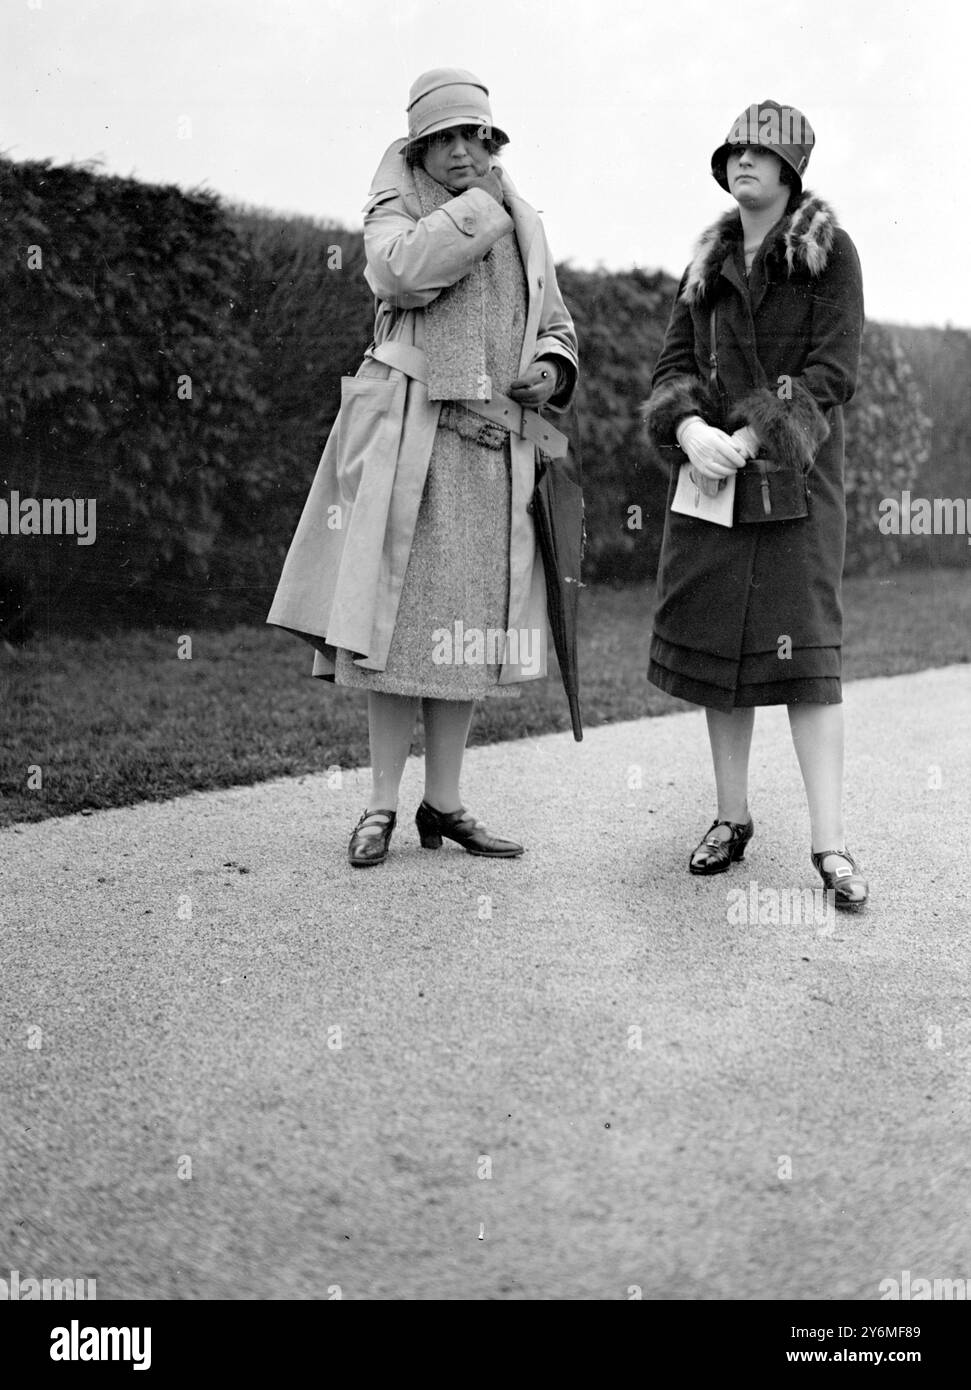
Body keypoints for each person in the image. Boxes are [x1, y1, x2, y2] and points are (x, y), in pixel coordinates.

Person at [267, 68, 578, 866]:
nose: (462, 152)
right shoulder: (398, 205)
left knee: (464, 638)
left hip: (490, 452)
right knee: (393, 634)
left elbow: (553, 319)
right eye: (443, 139)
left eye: (475, 136)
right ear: (419, 148)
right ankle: (377, 806)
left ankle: (444, 804)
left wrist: (550, 366)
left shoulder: (524, 219)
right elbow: (398, 273)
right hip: (412, 445)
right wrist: (479, 205)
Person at [641, 100, 868, 910]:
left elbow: (832, 371)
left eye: (760, 153)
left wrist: (749, 433)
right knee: (717, 660)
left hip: (795, 488)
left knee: (805, 664)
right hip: (710, 487)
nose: (743, 161)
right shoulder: (705, 260)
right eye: (734, 150)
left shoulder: (830, 254)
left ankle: (829, 842)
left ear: (789, 171)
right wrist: (691, 426)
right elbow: (671, 366)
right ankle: (729, 819)